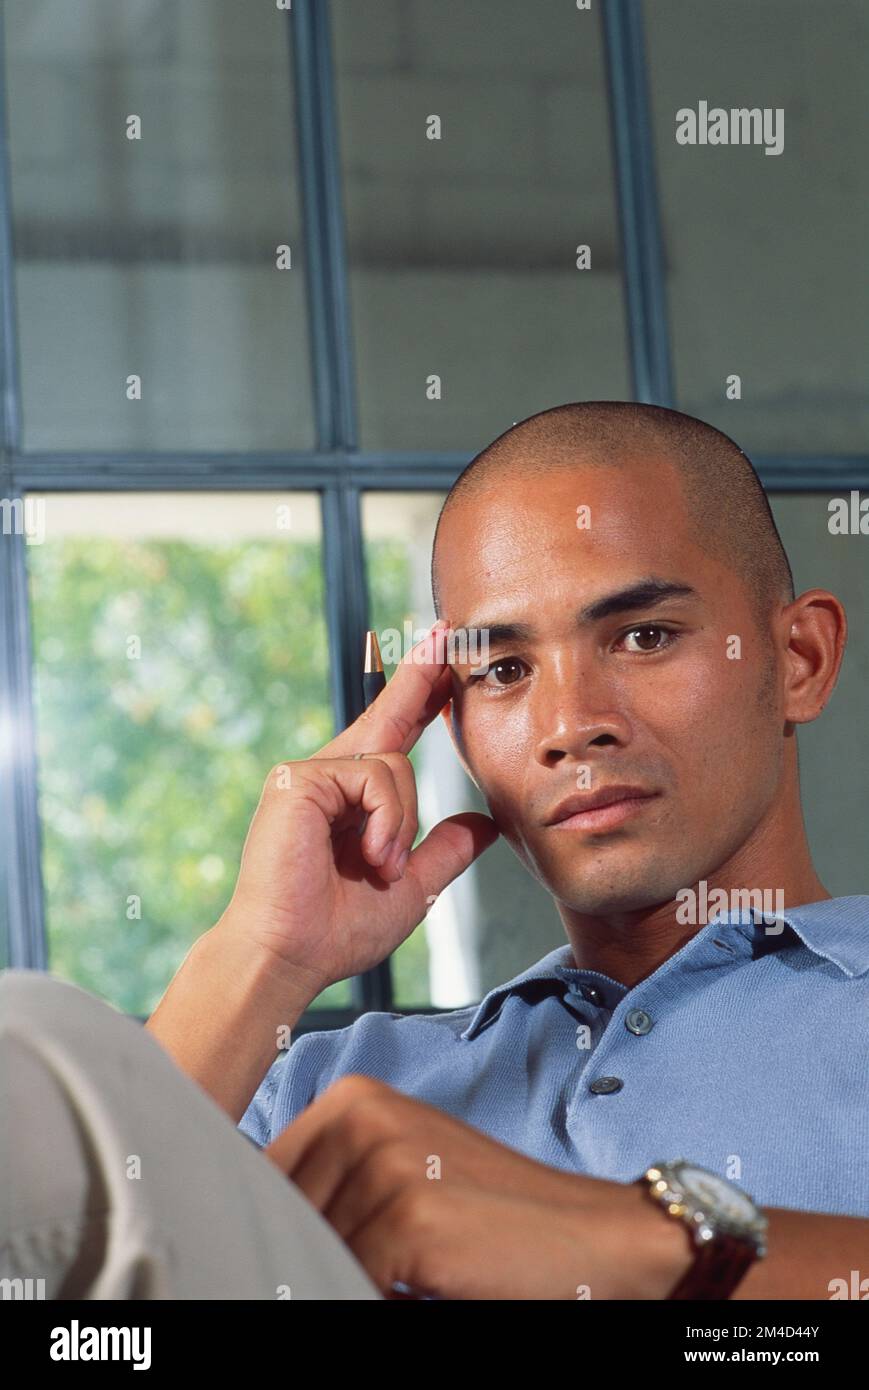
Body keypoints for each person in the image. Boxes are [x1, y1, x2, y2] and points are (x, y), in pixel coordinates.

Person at [4, 402, 868, 1299]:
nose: (570, 727)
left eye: (643, 636)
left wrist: (630, 1246)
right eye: (501, 671)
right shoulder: (329, 1092)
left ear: (799, 659)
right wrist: (262, 955)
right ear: (447, 725)